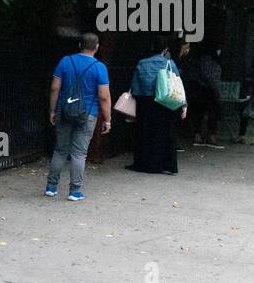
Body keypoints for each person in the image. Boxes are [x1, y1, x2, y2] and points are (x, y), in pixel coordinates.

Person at [45, 32, 111, 201]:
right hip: (88, 114)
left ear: (79, 45)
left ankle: (51, 187)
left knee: (60, 150)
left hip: (64, 111)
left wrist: (53, 110)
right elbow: (104, 96)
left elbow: (54, 88)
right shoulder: (99, 67)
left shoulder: (65, 61)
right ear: (97, 47)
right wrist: (108, 119)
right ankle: (75, 191)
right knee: (79, 153)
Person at [126, 35, 188, 175]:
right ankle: (165, 165)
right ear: (165, 49)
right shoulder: (169, 63)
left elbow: (135, 86)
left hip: (145, 102)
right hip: (164, 101)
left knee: (144, 133)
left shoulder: (142, 63)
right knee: (165, 133)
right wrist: (183, 105)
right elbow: (177, 85)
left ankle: (143, 164)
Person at [189, 46, 224, 148]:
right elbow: (208, 76)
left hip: (204, 89)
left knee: (200, 113)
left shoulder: (204, 61)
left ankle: (199, 135)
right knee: (208, 113)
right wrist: (215, 89)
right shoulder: (208, 61)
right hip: (206, 89)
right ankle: (207, 135)